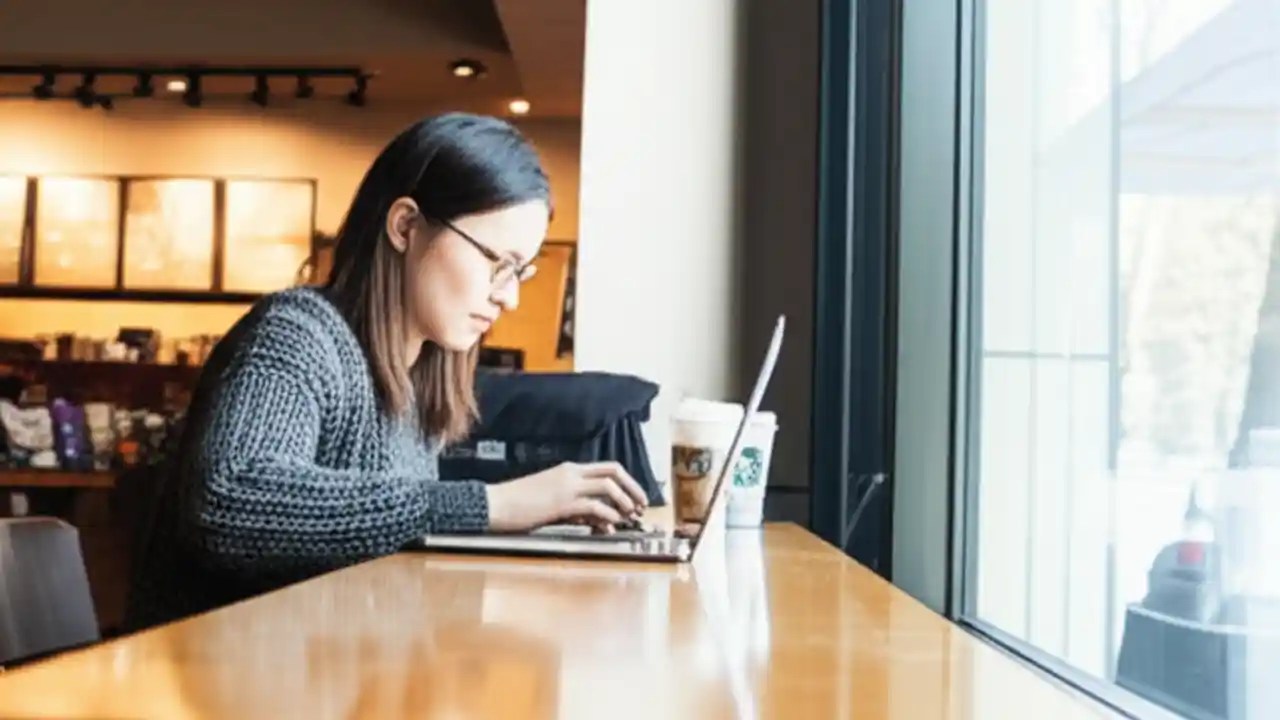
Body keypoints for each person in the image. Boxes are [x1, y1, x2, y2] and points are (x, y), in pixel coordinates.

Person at [124, 112, 648, 630]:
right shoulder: (298, 334)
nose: (509, 297)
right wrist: (493, 505)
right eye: (497, 263)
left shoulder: (421, 374)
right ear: (405, 226)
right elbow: (230, 502)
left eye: (521, 273)